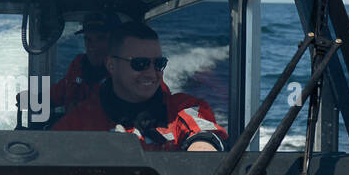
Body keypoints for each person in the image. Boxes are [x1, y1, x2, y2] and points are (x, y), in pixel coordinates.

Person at [52, 21, 226, 151]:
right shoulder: (81, 120)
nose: (151, 73)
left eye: (158, 63)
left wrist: (202, 146)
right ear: (111, 65)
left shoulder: (182, 109)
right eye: (140, 64)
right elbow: (52, 152)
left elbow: (203, 135)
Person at [49, 11, 116, 113]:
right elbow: (58, 93)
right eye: (88, 39)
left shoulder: (122, 74)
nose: (93, 46)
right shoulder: (78, 65)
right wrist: (32, 99)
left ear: (114, 41)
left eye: (101, 39)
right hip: (69, 127)